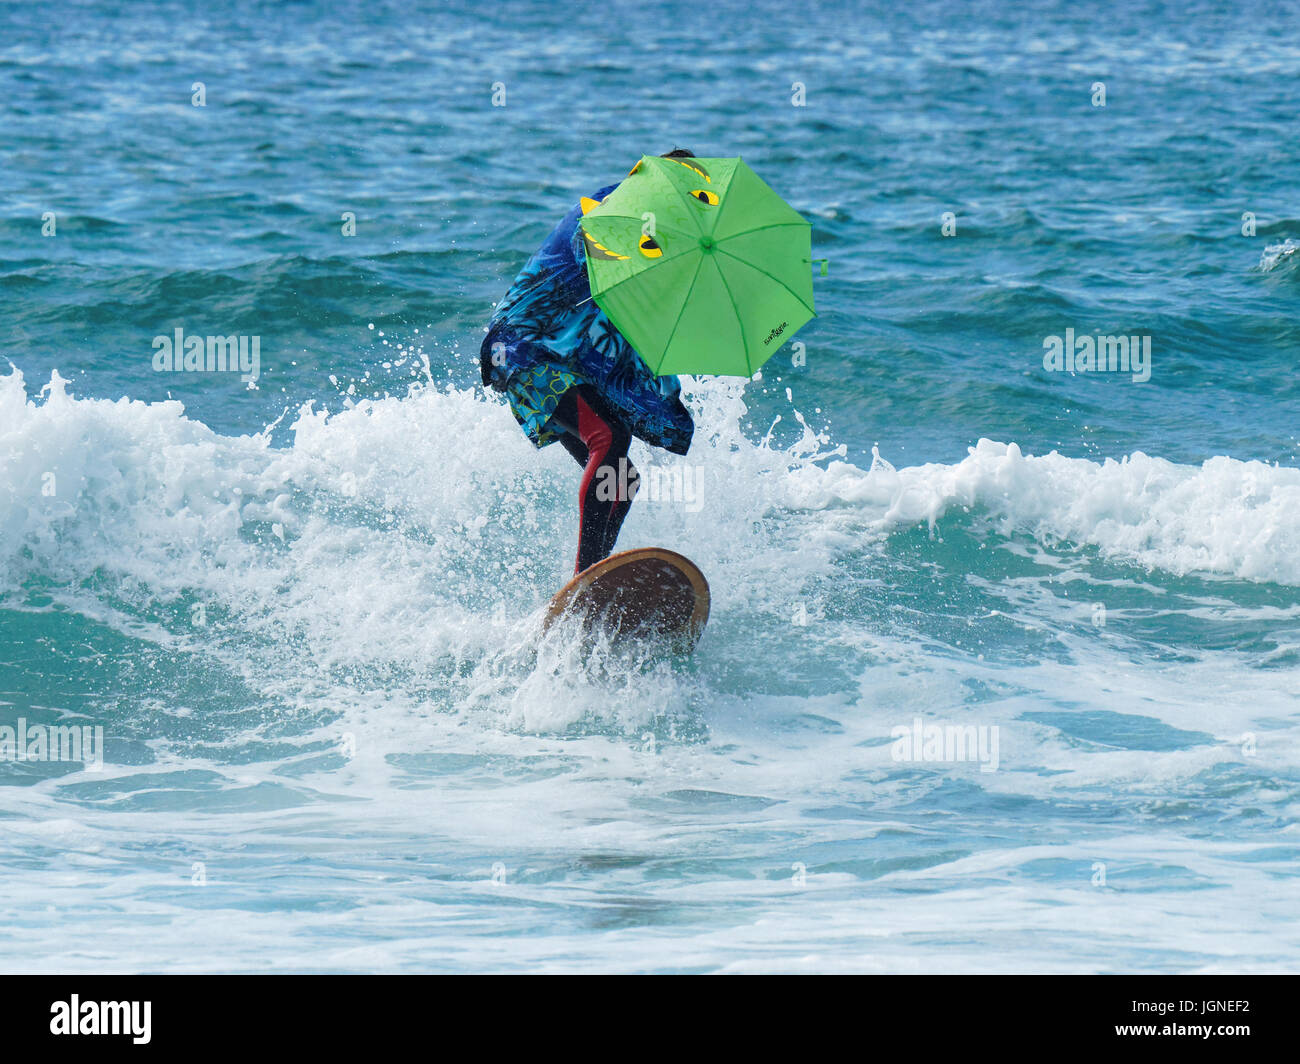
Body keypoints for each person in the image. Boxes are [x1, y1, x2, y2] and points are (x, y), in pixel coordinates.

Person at [481, 149, 697, 574]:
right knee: (609, 439)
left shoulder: (651, 238)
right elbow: (613, 273)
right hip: (524, 349)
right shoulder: (606, 212)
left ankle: (597, 579)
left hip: (560, 359)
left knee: (623, 480)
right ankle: (587, 574)